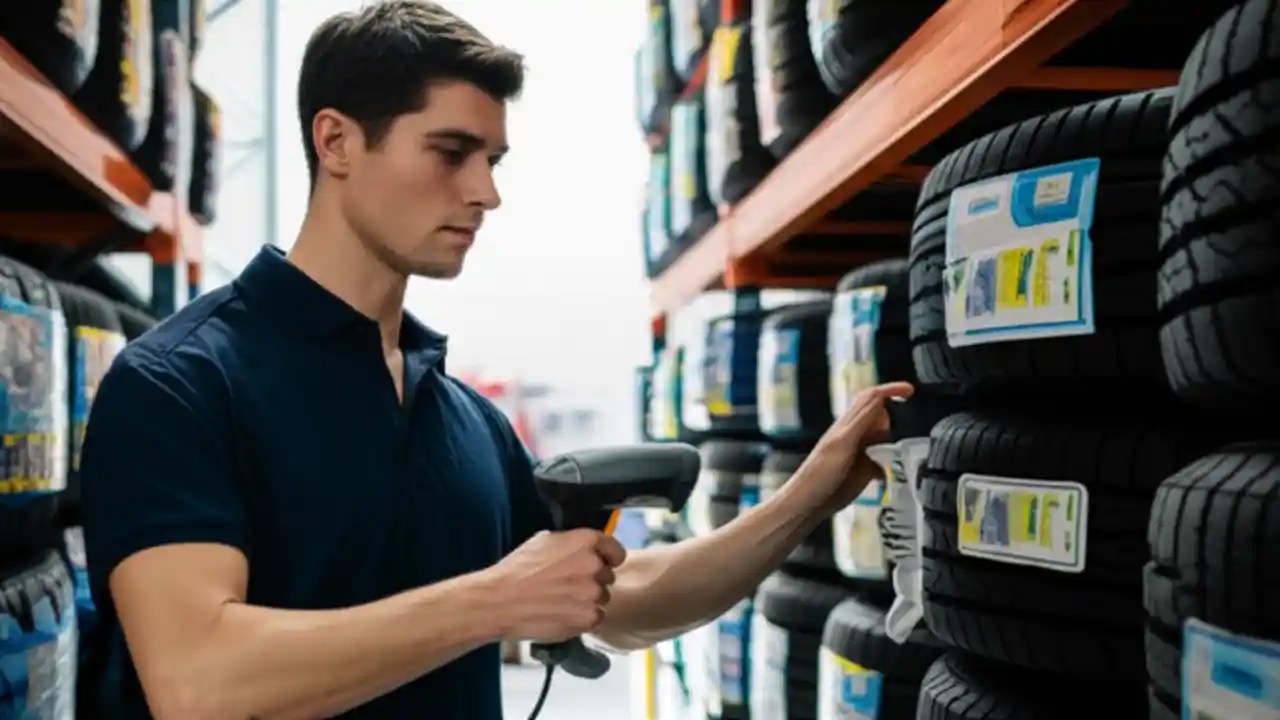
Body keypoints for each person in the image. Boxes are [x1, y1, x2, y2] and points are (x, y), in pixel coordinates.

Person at [76, 2, 914, 718]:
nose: (486, 192)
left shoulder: (459, 418)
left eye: (493, 161)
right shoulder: (178, 384)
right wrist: (490, 600)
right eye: (451, 153)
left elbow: (620, 602)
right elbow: (197, 679)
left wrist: (812, 494)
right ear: (334, 141)